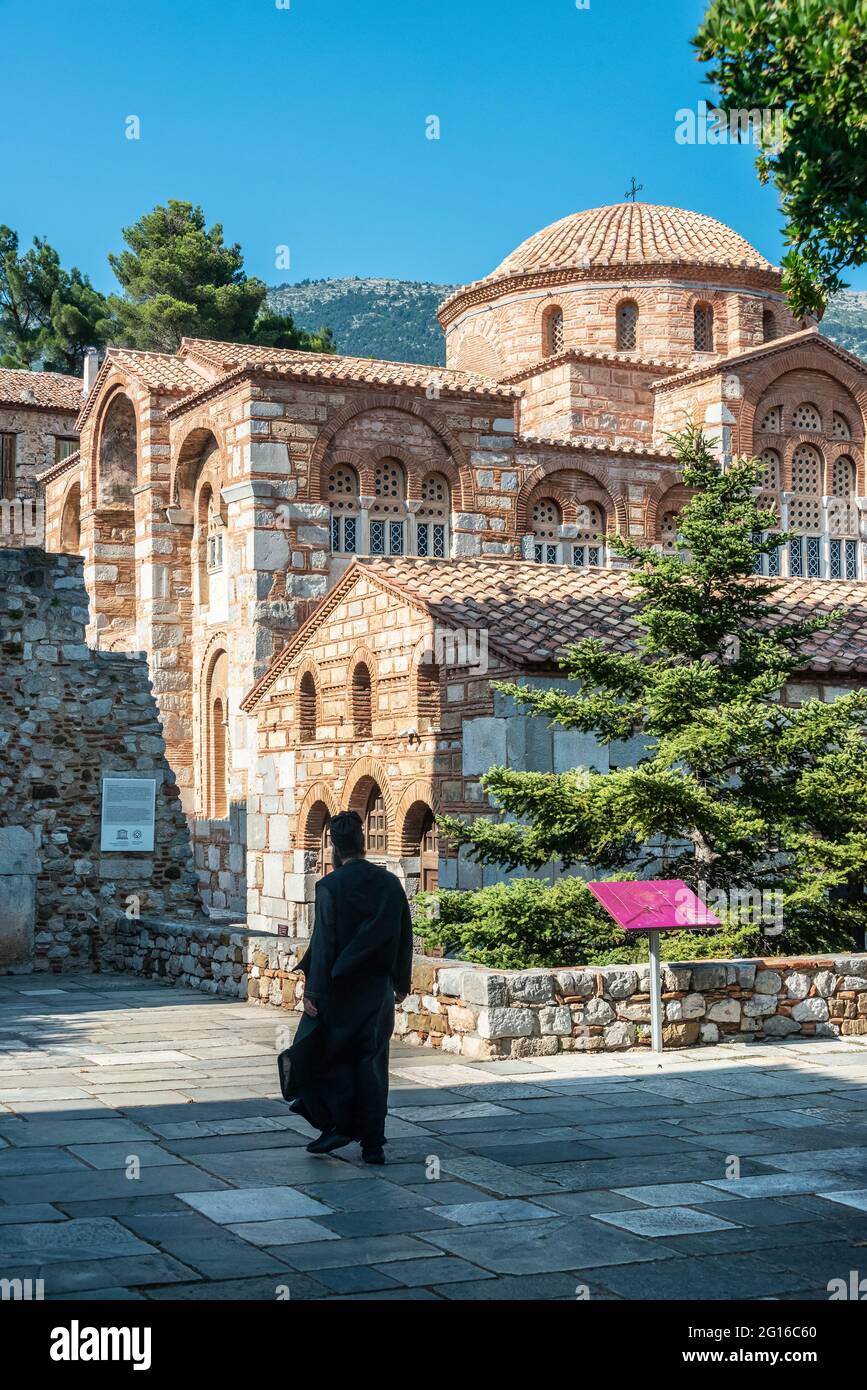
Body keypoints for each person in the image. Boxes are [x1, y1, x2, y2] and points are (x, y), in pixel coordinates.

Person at [281, 809, 413, 1165]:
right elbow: (404, 934)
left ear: (334, 847)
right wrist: (402, 982)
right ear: (364, 844)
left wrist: (313, 993)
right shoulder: (389, 884)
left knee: (329, 1058)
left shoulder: (330, 887)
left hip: (339, 992)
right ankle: (372, 1145)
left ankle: (336, 1125)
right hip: (377, 992)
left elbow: (324, 943)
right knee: (372, 1064)